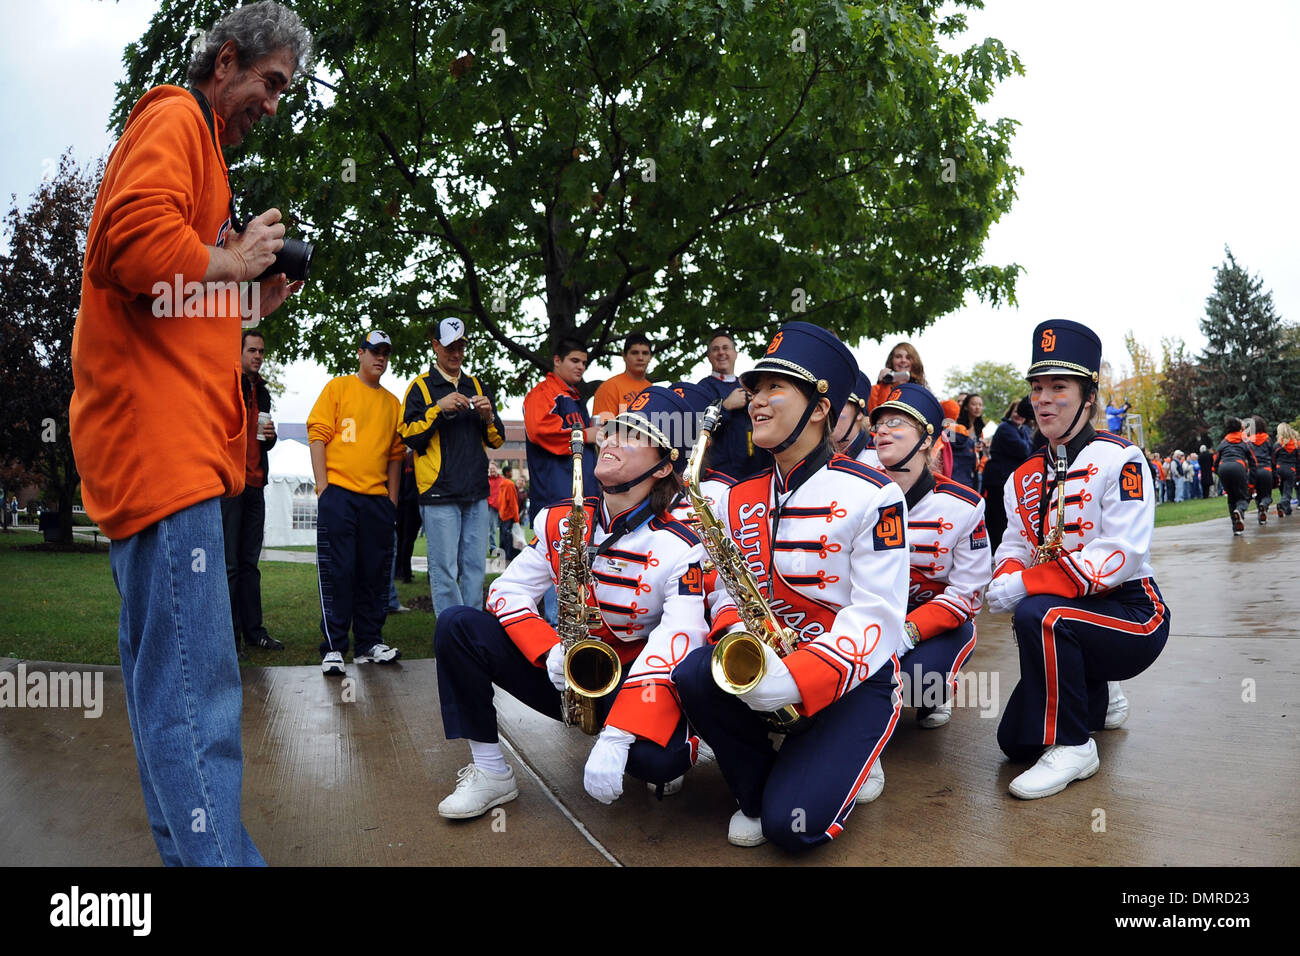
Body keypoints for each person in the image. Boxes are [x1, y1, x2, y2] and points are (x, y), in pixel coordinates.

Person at [67, 1, 310, 866]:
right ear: (226, 61)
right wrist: (233, 258)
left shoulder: (206, 159)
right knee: (196, 695)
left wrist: (245, 294)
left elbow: (163, 296)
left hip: (162, 456)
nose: (275, 102)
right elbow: (127, 246)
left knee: (165, 696)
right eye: (271, 82)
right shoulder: (176, 113)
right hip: (163, 458)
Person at [673, 321, 909, 850]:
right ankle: (757, 785)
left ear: (820, 408)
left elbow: (877, 618)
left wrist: (797, 677)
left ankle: (842, 755)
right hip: (768, 659)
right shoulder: (738, 496)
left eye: (775, 387)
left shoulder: (874, 495)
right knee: (694, 672)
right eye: (754, 388)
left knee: (793, 830)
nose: (756, 400)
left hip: (850, 679)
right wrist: (746, 643)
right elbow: (726, 592)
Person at [434, 386, 710, 817]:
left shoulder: (682, 544)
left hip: (636, 685)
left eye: (633, 435)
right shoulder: (560, 519)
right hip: (564, 672)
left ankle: (633, 739)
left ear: (662, 467)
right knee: (457, 625)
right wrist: (549, 651)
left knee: (659, 763)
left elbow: (680, 637)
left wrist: (621, 732)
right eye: (614, 429)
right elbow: (506, 592)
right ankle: (490, 772)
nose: (612, 440)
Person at [984, 319, 1170, 800]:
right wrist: (1006, 576)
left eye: (1058, 387)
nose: (1042, 399)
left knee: (1037, 612)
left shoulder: (1121, 458)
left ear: (1088, 396)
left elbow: (1121, 556)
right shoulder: (1020, 475)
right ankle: (1100, 695)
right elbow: (1015, 546)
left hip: (1132, 612)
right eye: (1037, 387)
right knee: (1014, 743)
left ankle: (1075, 746)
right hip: (1068, 613)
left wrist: (1027, 585)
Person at [869, 384, 988, 731]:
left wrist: (908, 632)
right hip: (870, 615)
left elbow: (967, 594)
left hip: (933, 623)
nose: (882, 432)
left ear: (924, 441)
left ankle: (937, 691)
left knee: (915, 683)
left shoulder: (963, 505)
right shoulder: (858, 491)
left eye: (897, 423)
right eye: (880, 424)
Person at [310, 331, 405, 675]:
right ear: (360, 353)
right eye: (374, 351)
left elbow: (396, 455)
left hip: (377, 501)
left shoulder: (393, 403)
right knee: (338, 570)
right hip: (340, 495)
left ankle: (369, 642)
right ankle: (334, 646)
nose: (380, 358)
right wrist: (324, 488)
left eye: (385, 353)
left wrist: (391, 499)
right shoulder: (338, 388)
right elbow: (317, 435)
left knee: (375, 573)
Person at [398, 317, 504, 615]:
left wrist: (489, 417)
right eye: (449, 347)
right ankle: (450, 634)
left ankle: (469, 630)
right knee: (444, 569)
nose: (455, 353)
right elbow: (408, 436)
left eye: (460, 346)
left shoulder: (476, 384)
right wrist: (438, 409)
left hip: (476, 492)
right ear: (435, 346)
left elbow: (496, 441)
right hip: (438, 492)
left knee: (474, 568)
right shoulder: (420, 387)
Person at [222, 329, 284, 661]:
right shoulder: (226, 384)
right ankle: (230, 637)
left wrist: (271, 438)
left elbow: (262, 439)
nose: (258, 356)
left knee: (250, 564)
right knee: (231, 564)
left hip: (257, 484)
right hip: (231, 486)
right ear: (240, 352)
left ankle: (254, 632)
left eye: (261, 351)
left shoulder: (263, 391)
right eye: (252, 350)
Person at [524, 337, 600, 523]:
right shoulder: (543, 393)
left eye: (584, 362)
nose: (581, 366)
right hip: (555, 498)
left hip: (582, 495)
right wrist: (584, 436)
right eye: (575, 361)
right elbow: (539, 430)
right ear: (557, 360)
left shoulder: (574, 397)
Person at [695, 328, 768, 479]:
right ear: (709, 357)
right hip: (718, 475)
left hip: (755, 471)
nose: (721, 353)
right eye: (716, 349)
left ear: (735, 354)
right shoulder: (702, 388)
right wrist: (726, 407)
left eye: (726, 348)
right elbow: (697, 430)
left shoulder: (749, 386)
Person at [982, 396, 1035, 553]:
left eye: (1022, 412)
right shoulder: (1006, 428)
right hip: (998, 480)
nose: (1018, 414)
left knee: (1004, 518)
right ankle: (994, 551)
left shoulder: (1022, 430)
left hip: (1005, 479)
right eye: (1016, 411)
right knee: (997, 519)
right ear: (1011, 411)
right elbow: (1026, 450)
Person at [592, 332, 654, 421]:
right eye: (634, 353)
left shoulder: (652, 390)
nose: (640, 357)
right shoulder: (609, 387)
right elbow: (603, 430)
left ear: (650, 357)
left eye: (645, 353)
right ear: (624, 356)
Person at [1214, 418, 1256, 536]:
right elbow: (1253, 462)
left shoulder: (1223, 442)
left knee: (1231, 498)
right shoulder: (1245, 440)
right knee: (1244, 497)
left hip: (1223, 468)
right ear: (1240, 428)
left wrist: (1221, 474)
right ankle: (1240, 511)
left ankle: (1236, 528)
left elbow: (1215, 463)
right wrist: (1251, 483)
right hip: (1238, 466)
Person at [866, 340, 927, 413]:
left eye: (908, 357)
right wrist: (884, 384)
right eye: (898, 357)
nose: (903, 360)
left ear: (915, 362)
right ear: (891, 361)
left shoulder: (921, 392)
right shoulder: (875, 390)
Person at [1248, 416, 1275, 524]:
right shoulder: (1267, 439)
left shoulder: (1249, 441)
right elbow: (1273, 457)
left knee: (1257, 495)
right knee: (1267, 496)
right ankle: (1264, 506)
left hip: (1254, 471)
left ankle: (1261, 515)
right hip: (1266, 469)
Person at [496, 464, 521, 560]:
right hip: (509, 514)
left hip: (502, 513)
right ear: (507, 473)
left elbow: (499, 500)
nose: (512, 473)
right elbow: (513, 502)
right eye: (511, 471)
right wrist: (516, 517)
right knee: (509, 536)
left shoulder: (501, 484)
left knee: (503, 535)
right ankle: (508, 555)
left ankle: (502, 554)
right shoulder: (510, 484)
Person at [1275, 423, 1297, 518]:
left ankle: (1287, 509)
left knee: (1282, 490)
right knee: (1287, 491)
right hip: (1290, 469)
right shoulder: (1295, 444)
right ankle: (1283, 503)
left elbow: (1273, 458)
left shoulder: (1277, 445)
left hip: (1279, 468)